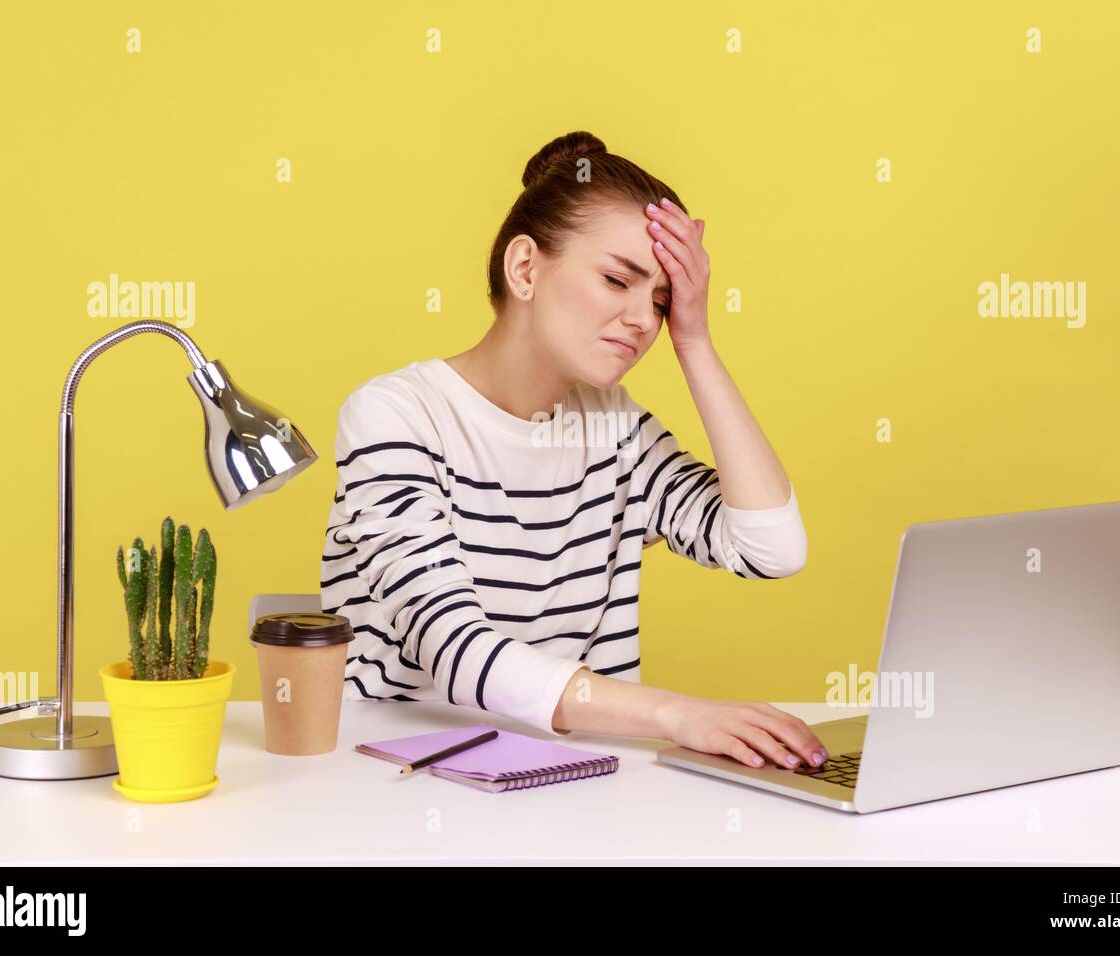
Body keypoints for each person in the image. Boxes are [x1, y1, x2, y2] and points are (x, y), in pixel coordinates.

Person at [321, 130, 829, 771]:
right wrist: (678, 715)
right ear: (525, 268)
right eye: (619, 279)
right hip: (404, 778)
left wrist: (695, 343)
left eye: (662, 300)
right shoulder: (396, 415)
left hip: (579, 780)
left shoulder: (614, 429)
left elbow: (773, 550)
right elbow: (452, 646)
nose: (645, 319)